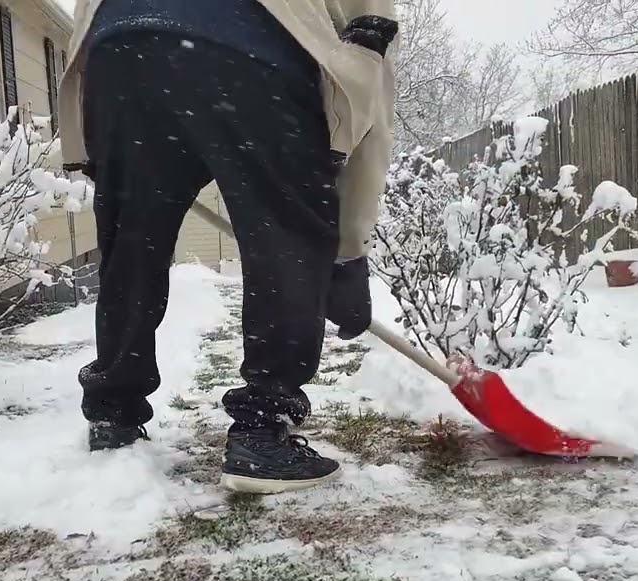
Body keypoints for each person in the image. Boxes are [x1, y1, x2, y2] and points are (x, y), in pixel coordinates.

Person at [56, 0, 397, 494]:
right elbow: (370, 115)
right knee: (286, 239)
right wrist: (344, 251)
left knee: (132, 243)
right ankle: (262, 429)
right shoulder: (372, 19)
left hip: (120, 52)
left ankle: (113, 414)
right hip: (247, 48)